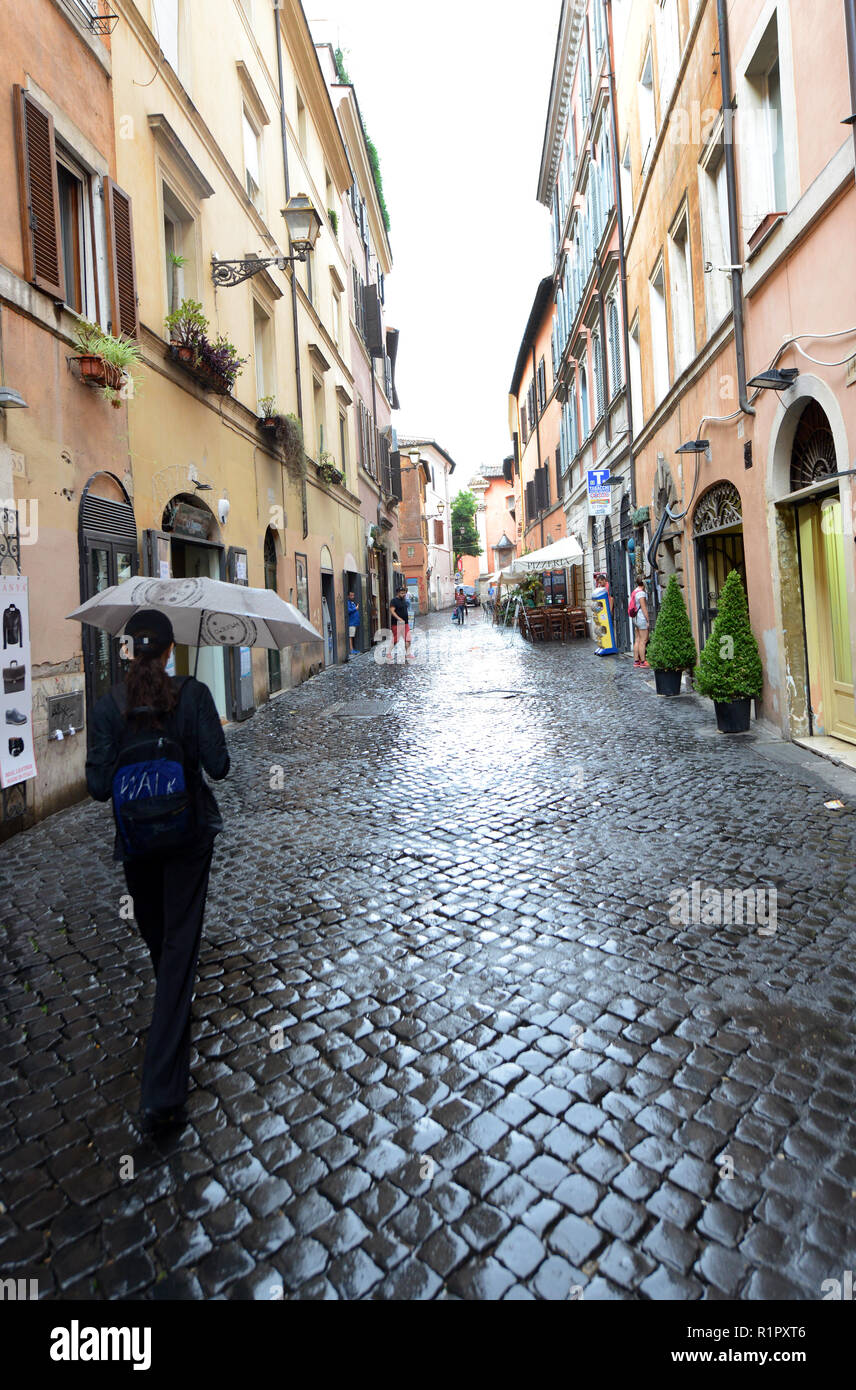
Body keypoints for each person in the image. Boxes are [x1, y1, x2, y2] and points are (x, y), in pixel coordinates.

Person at [85, 610, 229, 1133]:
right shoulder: (191, 695)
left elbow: (99, 786)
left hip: (138, 847)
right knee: (178, 949)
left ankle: (173, 1009)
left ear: (131, 651)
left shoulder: (108, 707)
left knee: (162, 943)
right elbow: (220, 766)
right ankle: (162, 1093)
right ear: (170, 652)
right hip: (188, 839)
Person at [389, 585, 413, 660]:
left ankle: (408, 654)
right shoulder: (394, 601)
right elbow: (392, 611)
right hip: (396, 623)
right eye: (402, 593)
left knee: (408, 638)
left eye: (404, 593)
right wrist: (399, 619)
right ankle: (388, 653)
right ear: (398, 593)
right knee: (396, 639)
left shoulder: (404, 600)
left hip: (405, 623)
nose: (404, 594)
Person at [632, 574, 650, 667]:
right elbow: (644, 608)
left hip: (635, 618)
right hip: (641, 618)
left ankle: (636, 661)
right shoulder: (641, 593)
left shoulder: (635, 591)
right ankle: (643, 661)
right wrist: (648, 620)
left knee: (637, 639)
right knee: (643, 640)